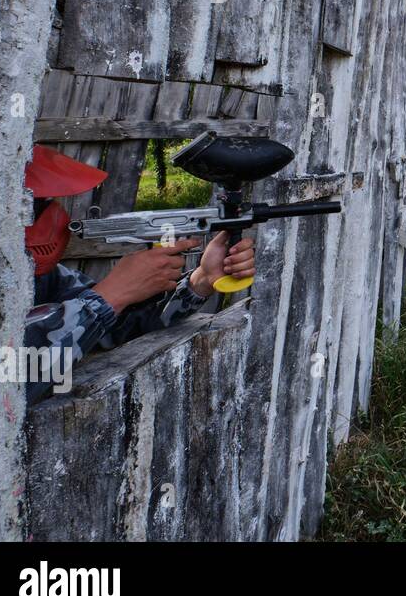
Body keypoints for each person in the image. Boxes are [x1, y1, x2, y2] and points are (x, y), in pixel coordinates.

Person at [22, 145, 256, 404]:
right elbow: (8, 376)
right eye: (36, 206)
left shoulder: (45, 278)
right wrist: (110, 296)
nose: (55, 217)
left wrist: (199, 281)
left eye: (47, 203)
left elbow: (117, 327)